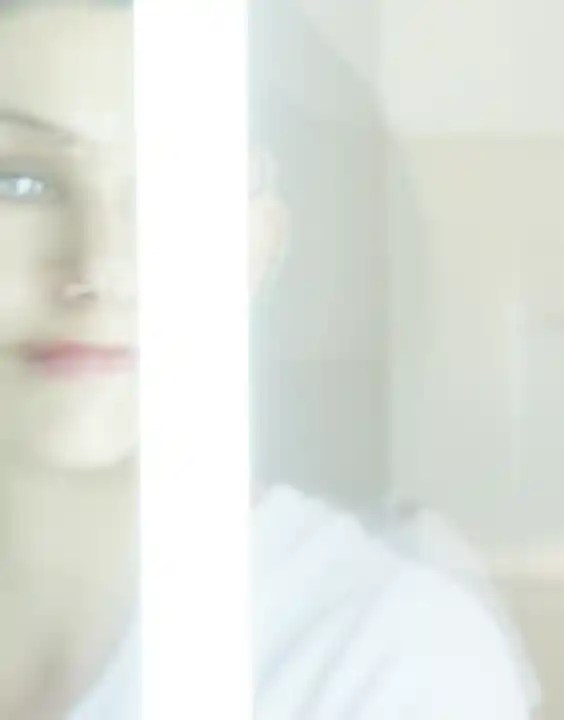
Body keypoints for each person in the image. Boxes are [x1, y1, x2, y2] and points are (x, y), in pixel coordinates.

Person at [0, 2, 532, 718]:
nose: (101, 266)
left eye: (174, 180)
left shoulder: (388, 655)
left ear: (259, 247)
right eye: (20, 183)